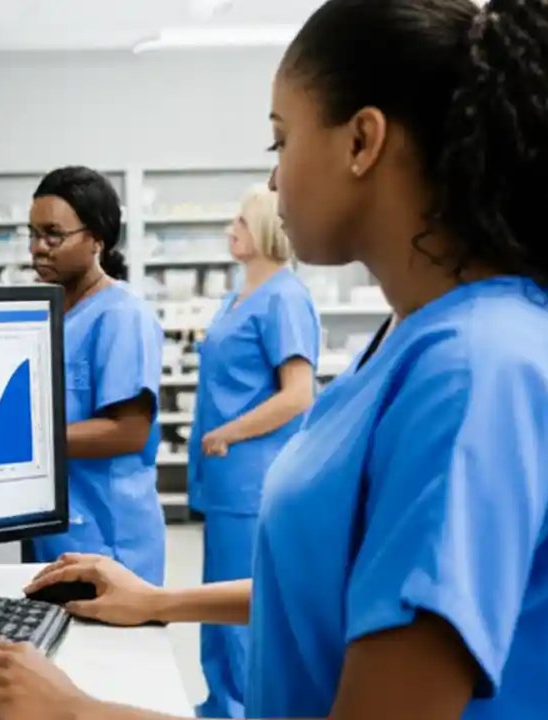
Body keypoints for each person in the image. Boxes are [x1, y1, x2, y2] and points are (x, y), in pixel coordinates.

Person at [0, 1, 548, 718]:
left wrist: (74, 712)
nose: (276, 182)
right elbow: (343, 585)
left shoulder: (476, 374)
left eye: (280, 141)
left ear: (362, 141)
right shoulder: (422, 340)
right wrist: (161, 600)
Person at [188, 186, 319, 718]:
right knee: (215, 597)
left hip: (251, 475)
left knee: (242, 604)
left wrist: (230, 433)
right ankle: (219, 703)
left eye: (240, 221)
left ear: (265, 229)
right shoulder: (236, 298)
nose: (231, 230)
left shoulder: (285, 297)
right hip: (224, 479)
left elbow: (298, 394)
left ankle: (244, 709)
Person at [23, 166, 167, 585]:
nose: (38, 248)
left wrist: (25, 445)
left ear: (96, 239)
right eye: (33, 234)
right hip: (58, 531)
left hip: (108, 538)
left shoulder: (122, 316)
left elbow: (129, 432)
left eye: (54, 235)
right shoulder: (48, 312)